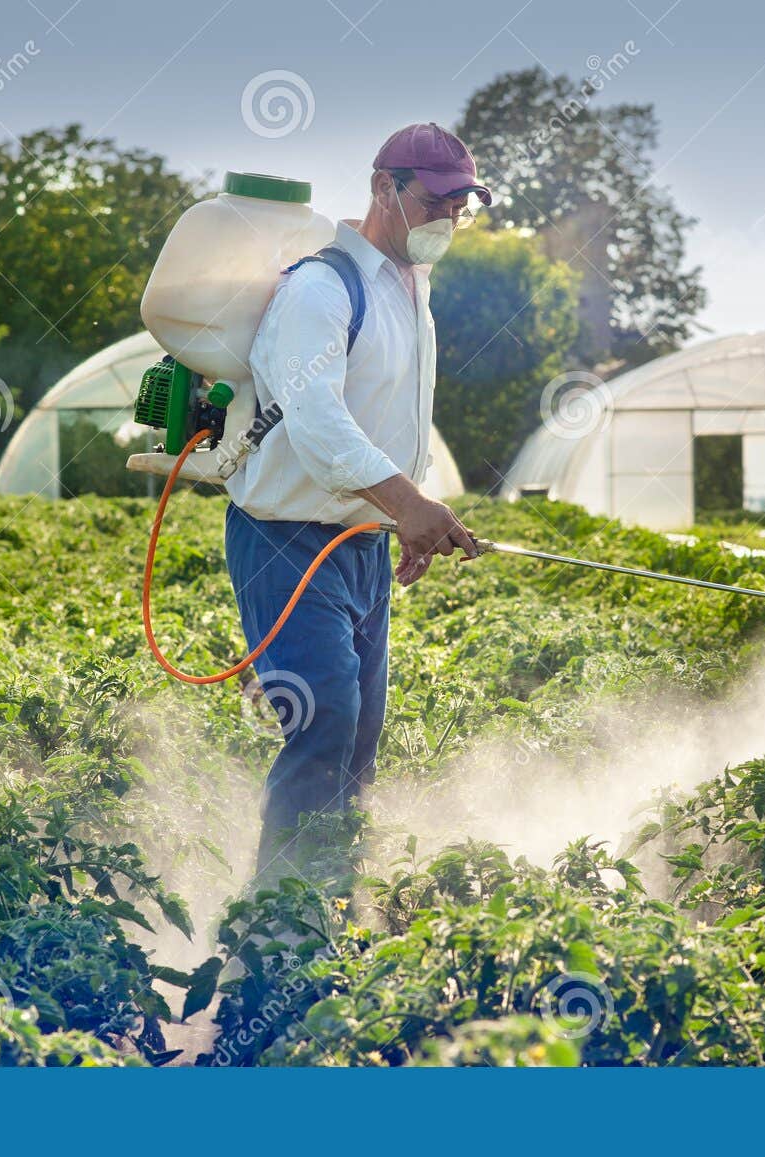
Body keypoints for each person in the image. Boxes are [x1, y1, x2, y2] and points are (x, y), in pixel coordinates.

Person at [223, 122, 490, 879]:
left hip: (360, 547)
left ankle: (334, 899)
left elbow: (388, 417)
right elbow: (317, 420)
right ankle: (277, 923)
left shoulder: (411, 291)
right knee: (325, 724)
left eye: (462, 207)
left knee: (359, 735)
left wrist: (397, 516)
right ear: (384, 188)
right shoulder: (320, 286)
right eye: (437, 201)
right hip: (289, 542)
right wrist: (408, 503)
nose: (450, 220)